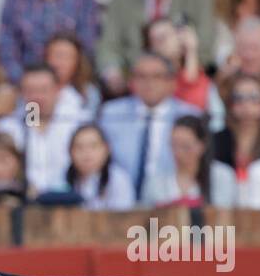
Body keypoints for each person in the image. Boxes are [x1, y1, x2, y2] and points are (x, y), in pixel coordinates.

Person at [97, 0, 215, 94]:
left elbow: (205, 48)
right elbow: (108, 45)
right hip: (131, 81)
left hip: (180, 80)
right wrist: (112, 73)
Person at [98, 52, 202, 203]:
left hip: (171, 203)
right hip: (118, 203)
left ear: (171, 82)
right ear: (132, 81)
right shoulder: (111, 114)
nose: (149, 83)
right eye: (141, 76)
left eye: (157, 76)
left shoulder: (189, 116)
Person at [0, 63, 79, 194]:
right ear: (21, 93)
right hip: (23, 201)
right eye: (30, 91)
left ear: (58, 90)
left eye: (44, 90)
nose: (37, 97)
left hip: (68, 200)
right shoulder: (9, 128)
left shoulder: (75, 124)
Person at [143, 114, 239, 207]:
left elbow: (224, 214)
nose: (178, 153)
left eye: (186, 147)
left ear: (202, 146)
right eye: (174, 145)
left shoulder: (222, 176)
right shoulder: (156, 181)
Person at [212, 73, 260, 182]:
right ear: (230, 104)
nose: (246, 105)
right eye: (239, 98)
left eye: (254, 97)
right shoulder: (216, 141)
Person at [65, 123, 135, 209]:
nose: (87, 153)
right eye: (79, 147)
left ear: (106, 149)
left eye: (93, 146)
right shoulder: (62, 179)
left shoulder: (118, 180)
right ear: (70, 151)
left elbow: (123, 217)